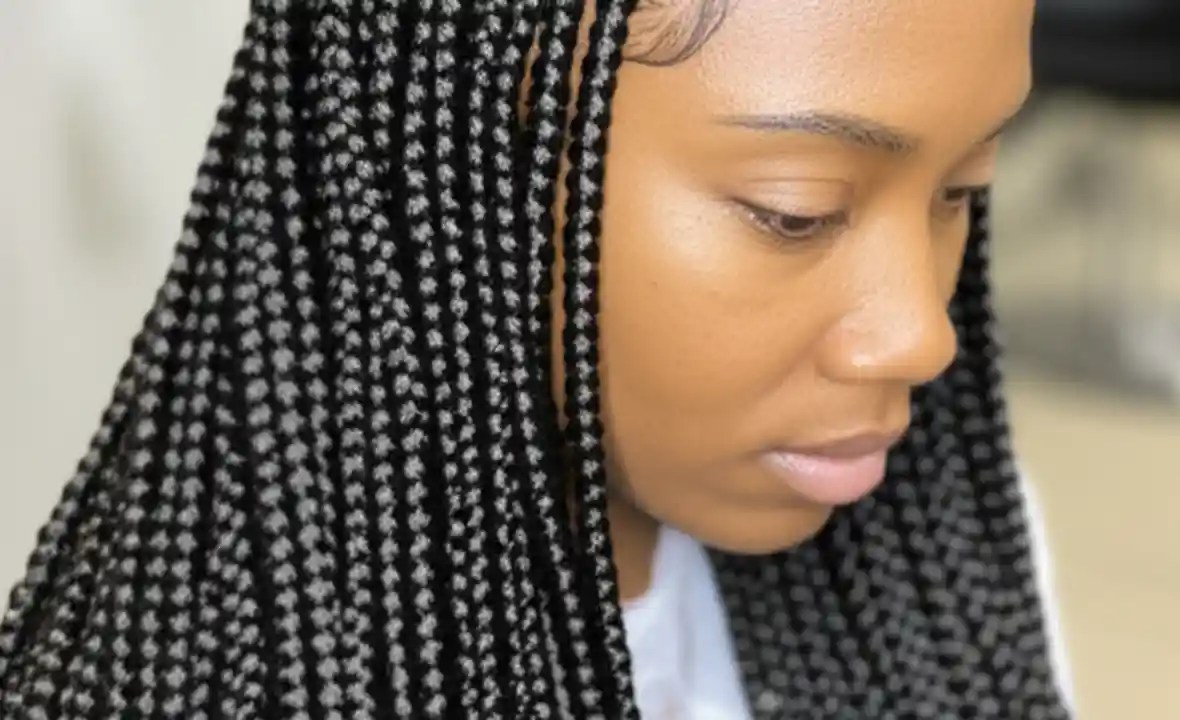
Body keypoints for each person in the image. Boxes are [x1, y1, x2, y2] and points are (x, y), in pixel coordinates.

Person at [0, 0, 1073, 717]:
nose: (917, 336)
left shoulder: (957, 552)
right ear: (447, 166)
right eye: (795, 213)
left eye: (961, 188)